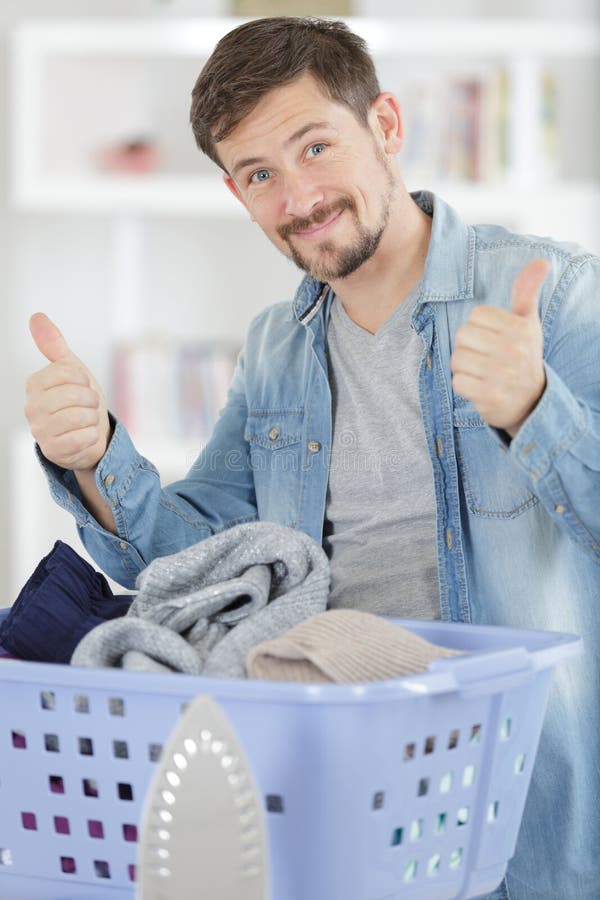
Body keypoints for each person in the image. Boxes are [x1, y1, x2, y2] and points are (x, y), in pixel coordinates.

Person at [24, 16, 599, 900]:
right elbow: (197, 559)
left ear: (388, 128)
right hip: (341, 809)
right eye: (261, 174)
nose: (300, 196)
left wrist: (533, 412)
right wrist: (98, 456)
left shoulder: (551, 293)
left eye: (316, 146)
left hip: (521, 809)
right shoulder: (275, 350)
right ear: (237, 194)